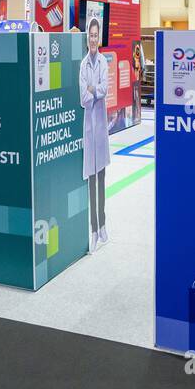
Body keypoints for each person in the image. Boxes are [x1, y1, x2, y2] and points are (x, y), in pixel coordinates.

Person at [79, 17, 111, 252]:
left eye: (95, 35)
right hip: (90, 125)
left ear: (99, 37)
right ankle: (92, 229)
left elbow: (103, 89)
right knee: (91, 178)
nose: (92, 39)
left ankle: (102, 225)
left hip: (100, 125)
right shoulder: (83, 65)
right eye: (90, 35)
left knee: (101, 177)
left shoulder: (103, 62)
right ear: (87, 37)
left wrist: (95, 90)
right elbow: (84, 98)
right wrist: (93, 90)